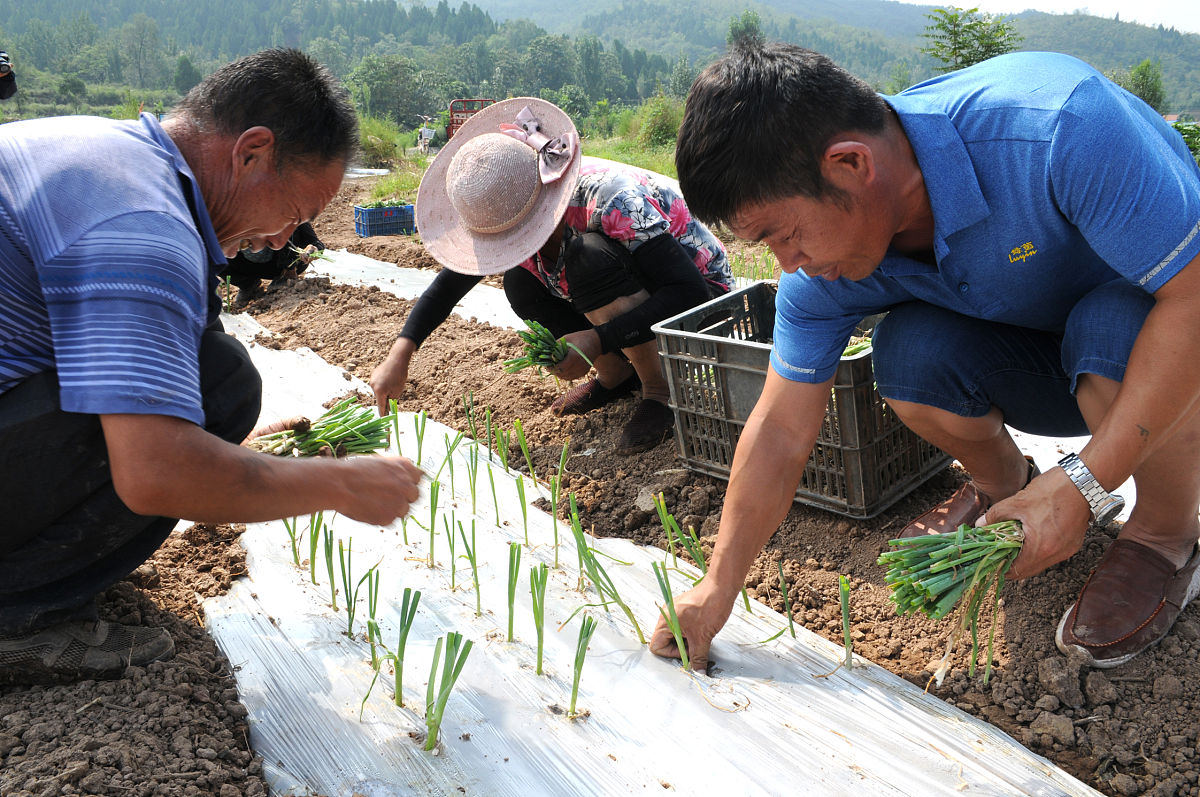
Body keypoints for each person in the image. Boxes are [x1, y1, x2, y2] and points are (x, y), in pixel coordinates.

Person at [652, 42, 1200, 673]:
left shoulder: (1059, 130)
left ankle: (1165, 534)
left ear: (851, 164)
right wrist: (718, 586)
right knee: (910, 356)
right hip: (1040, 356)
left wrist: (1081, 483)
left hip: (1155, 359)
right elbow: (779, 429)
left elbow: (1191, 300)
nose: (787, 264)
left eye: (785, 233)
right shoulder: (827, 273)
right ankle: (1006, 490)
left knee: (1109, 330)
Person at [0, 48, 422, 686]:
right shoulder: (143, 228)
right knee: (219, 382)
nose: (282, 240)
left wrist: (243, 451)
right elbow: (156, 474)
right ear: (251, 151)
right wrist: (338, 486)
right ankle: (13, 617)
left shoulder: (110, 154)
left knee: (207, 384)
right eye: (294, 213)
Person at [370, 98, 732, 453]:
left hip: (702, 305)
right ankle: (617, 375)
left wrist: (596, 339)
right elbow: (447, 287)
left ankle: (659, 389)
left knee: (588, 259)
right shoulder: (507, 208)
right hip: (643, 299)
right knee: (519, 281)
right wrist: (400, 355)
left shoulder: (610, 200)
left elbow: (691, 293)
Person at [222, 221, 323, 307]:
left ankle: (287, 276)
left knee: (290, 225)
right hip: (250, 265)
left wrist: (313, 250)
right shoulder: (235, 215)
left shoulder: (288, 209)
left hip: (287, 263)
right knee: (214, 251)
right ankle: (248, 285)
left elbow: (316, 243)